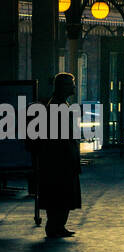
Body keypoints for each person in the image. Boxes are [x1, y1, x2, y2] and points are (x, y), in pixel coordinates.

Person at [28, 72, 81, 239]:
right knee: (61, 193)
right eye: (71, 84)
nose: (73, 87)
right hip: (60, 160)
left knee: (60, 194)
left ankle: (57, 226)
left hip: (59, 158)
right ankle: (55, 227)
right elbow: (61, 137)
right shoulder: (58, 107)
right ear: (63, 87)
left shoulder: (58, 104)